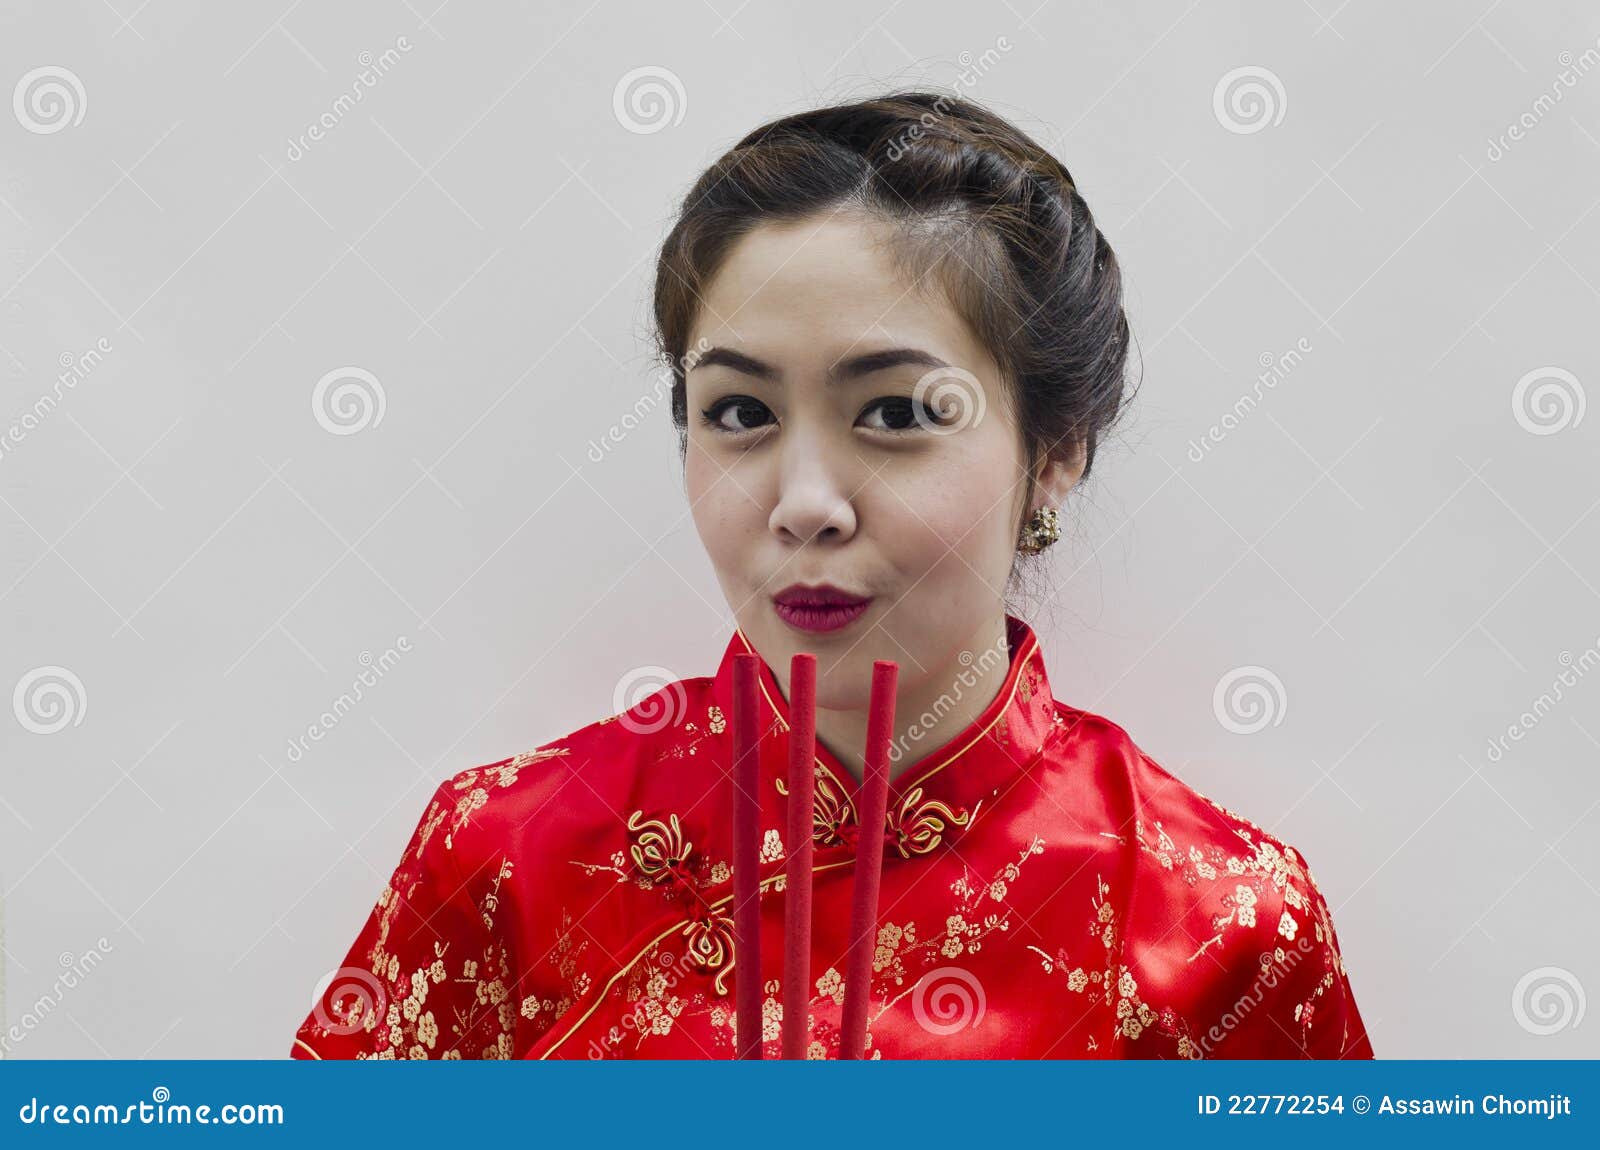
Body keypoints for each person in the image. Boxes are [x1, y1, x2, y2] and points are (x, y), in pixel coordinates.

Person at [290, 91, 1373, 1060]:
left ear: (1055, 450)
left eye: (897, 412)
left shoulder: (1216, 925)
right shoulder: (506, 863)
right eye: (741, 414)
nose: (805, 501)